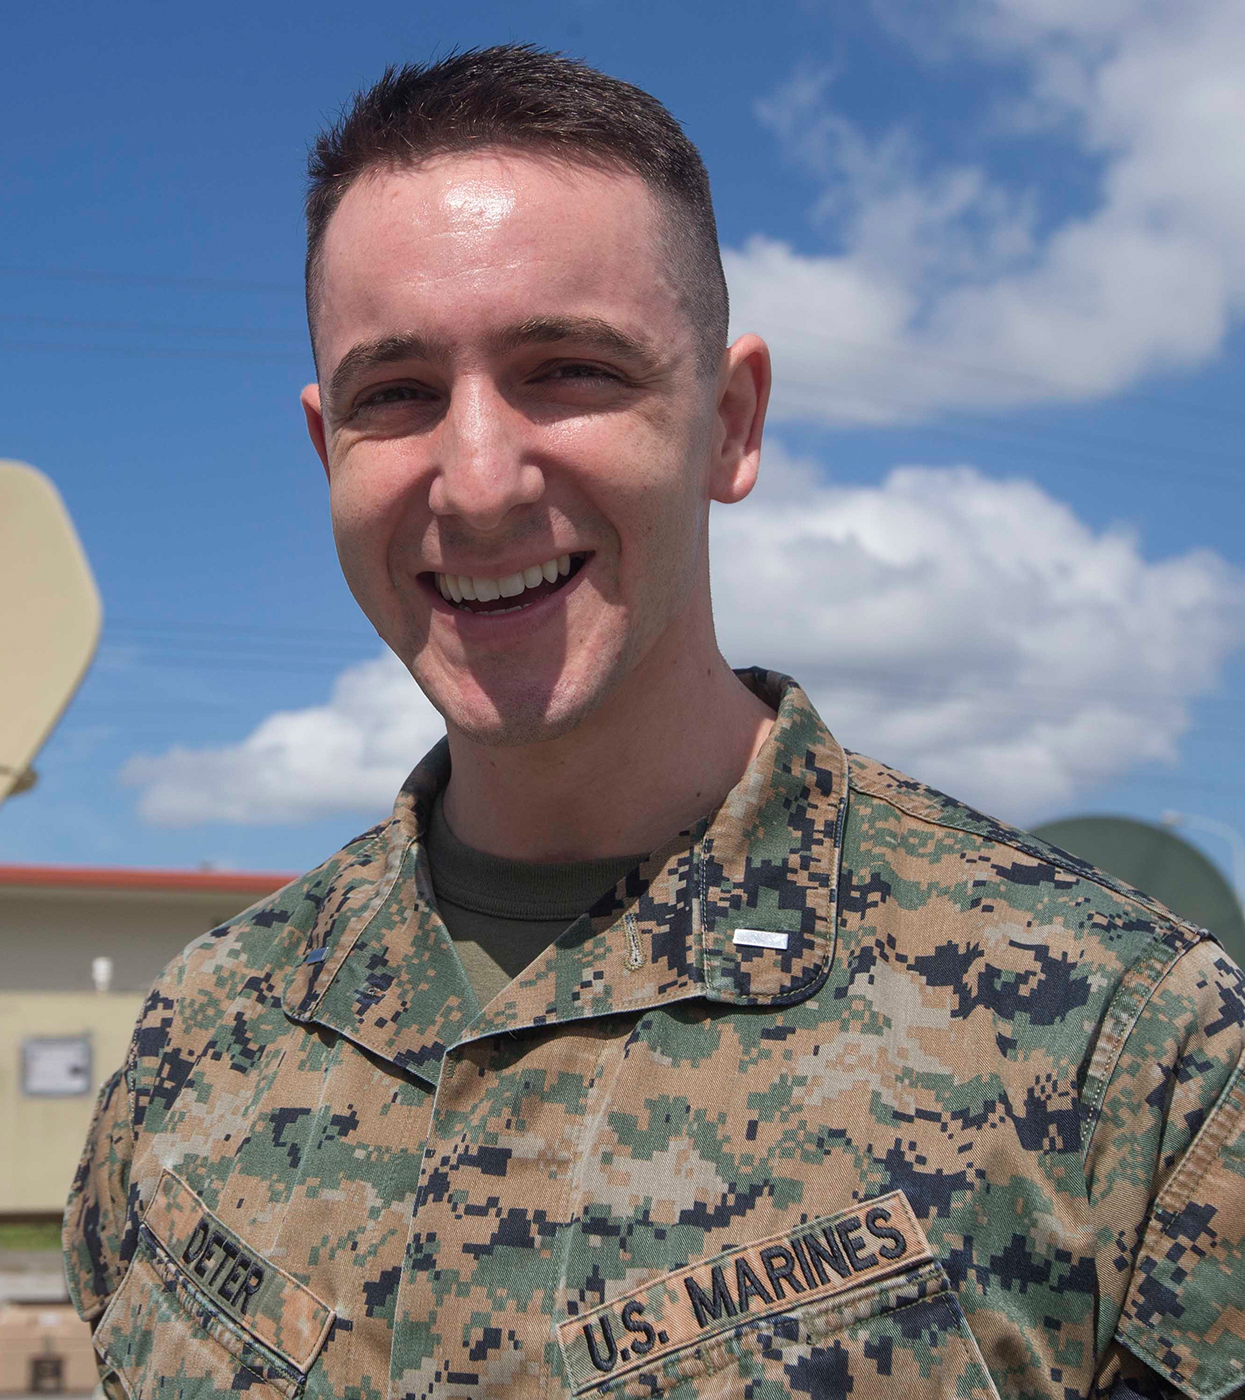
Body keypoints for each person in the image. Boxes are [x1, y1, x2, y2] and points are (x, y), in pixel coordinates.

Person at [64, 45, 1244, 1400]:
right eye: (396, 395)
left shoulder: (1125, 1056)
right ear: (326, 447)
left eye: (566, 369)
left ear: (730, 425)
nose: (479, 478)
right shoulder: (201, 1048)